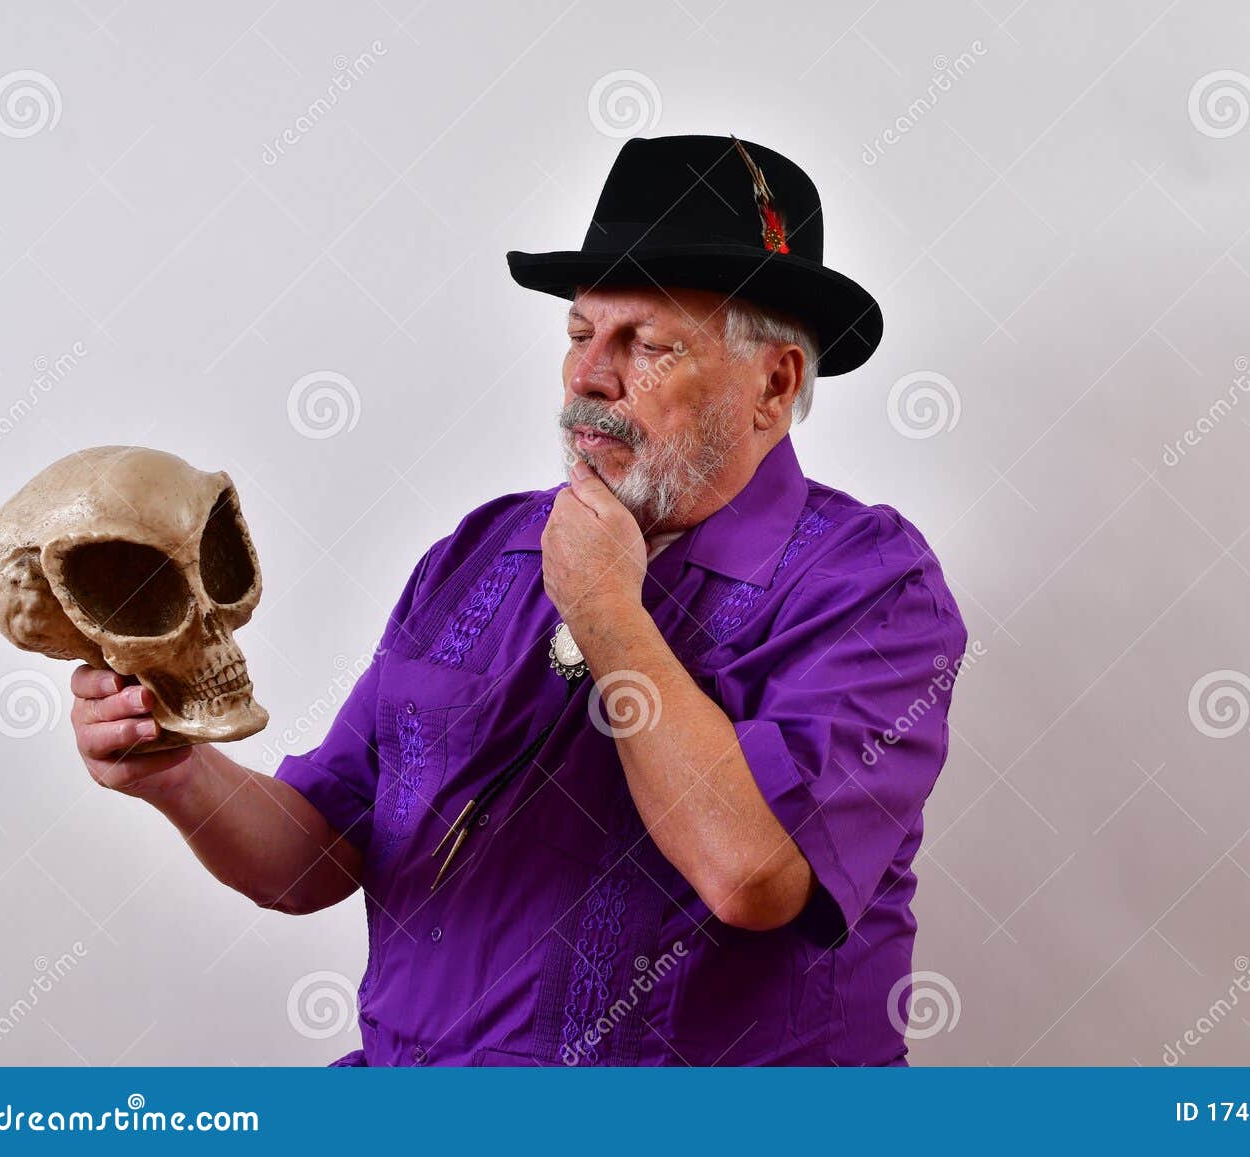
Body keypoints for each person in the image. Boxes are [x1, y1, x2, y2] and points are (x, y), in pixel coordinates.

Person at [68, 134, 967, 1065]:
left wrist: (609, 610)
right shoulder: (479, 553)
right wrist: (176, 772)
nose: (589, 375)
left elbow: (753, 873)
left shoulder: (873, 588)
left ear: (773, 385)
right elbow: (318, 850)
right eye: (580, 335)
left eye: (648, 343)